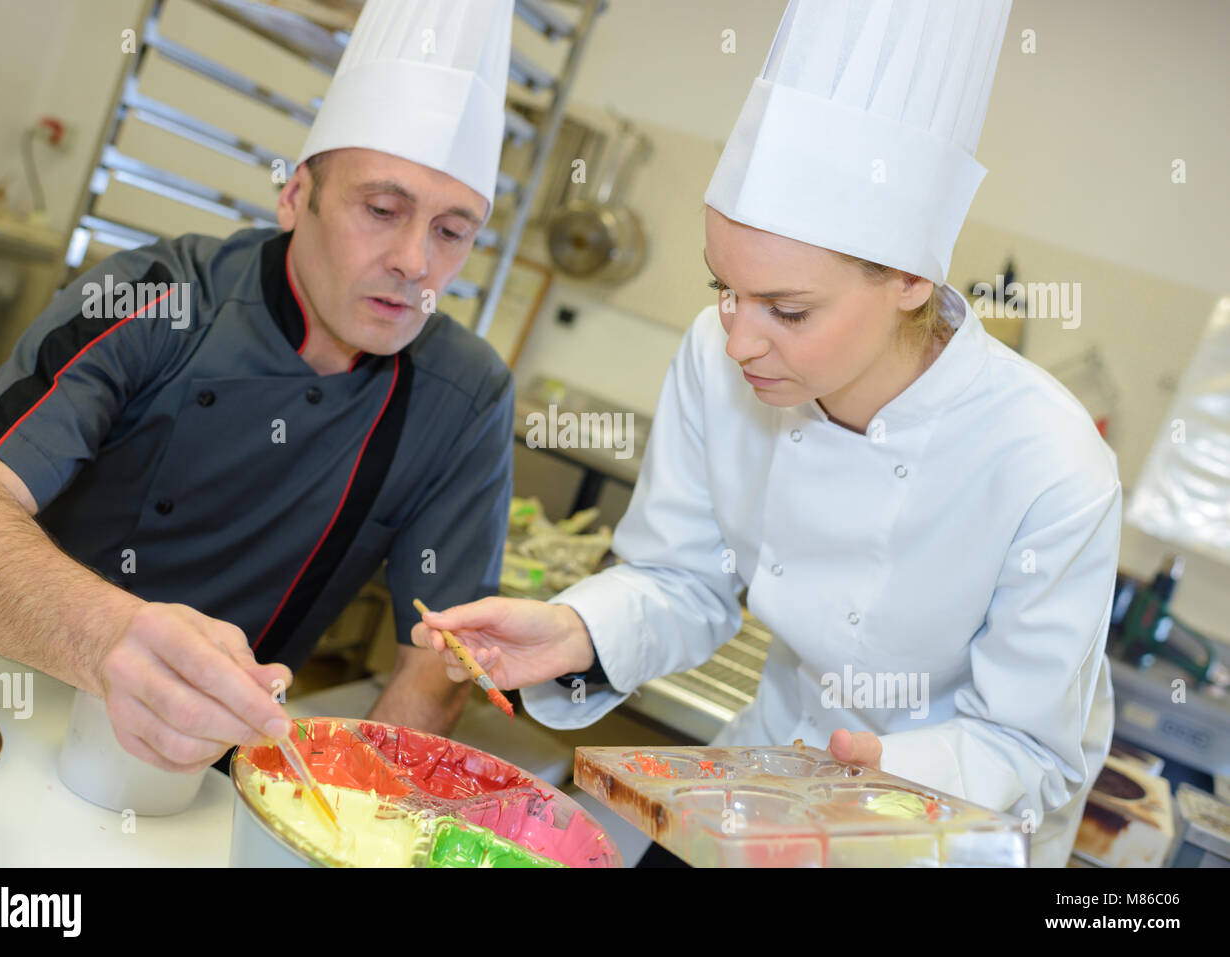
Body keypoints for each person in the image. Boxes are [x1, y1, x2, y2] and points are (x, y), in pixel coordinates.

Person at [415, 0, 1121, 867]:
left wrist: (877, 775)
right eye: (725, 289)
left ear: (908, 278)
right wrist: (579, 632)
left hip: (933, 837)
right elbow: (685, 578)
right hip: (747, 796)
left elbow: (1030, 750)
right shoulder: (717, 357)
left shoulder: (1050, 464)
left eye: (787, 309)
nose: (740, 338)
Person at [0, 0, 517, 773]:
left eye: (452, 231)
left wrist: (348, 827)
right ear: (296, 194)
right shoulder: (156, 295)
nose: (416, 261)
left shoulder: (466, 397)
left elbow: (436, 660)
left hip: (193, 763)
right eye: (381, 209)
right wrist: (113, 638)